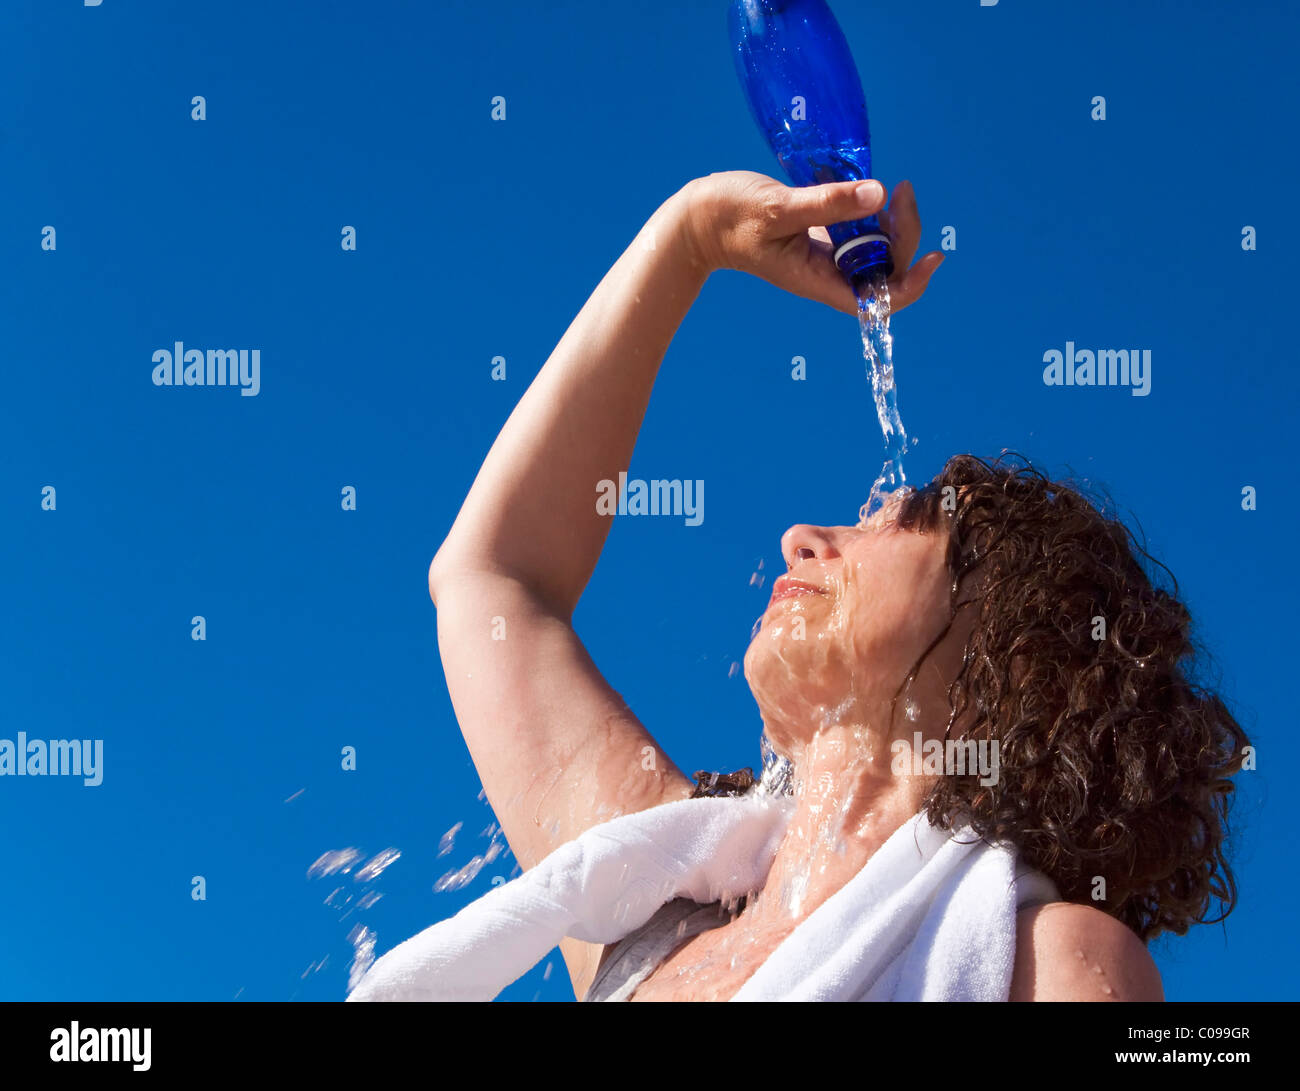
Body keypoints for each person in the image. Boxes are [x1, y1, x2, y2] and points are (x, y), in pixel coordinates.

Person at [426, 171, 1249, 1001]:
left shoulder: (1051, 960)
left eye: (897, 519)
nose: (802, 539)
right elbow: (493, 580)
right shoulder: (652, 903)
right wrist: (688, 239)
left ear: (1010, 637)